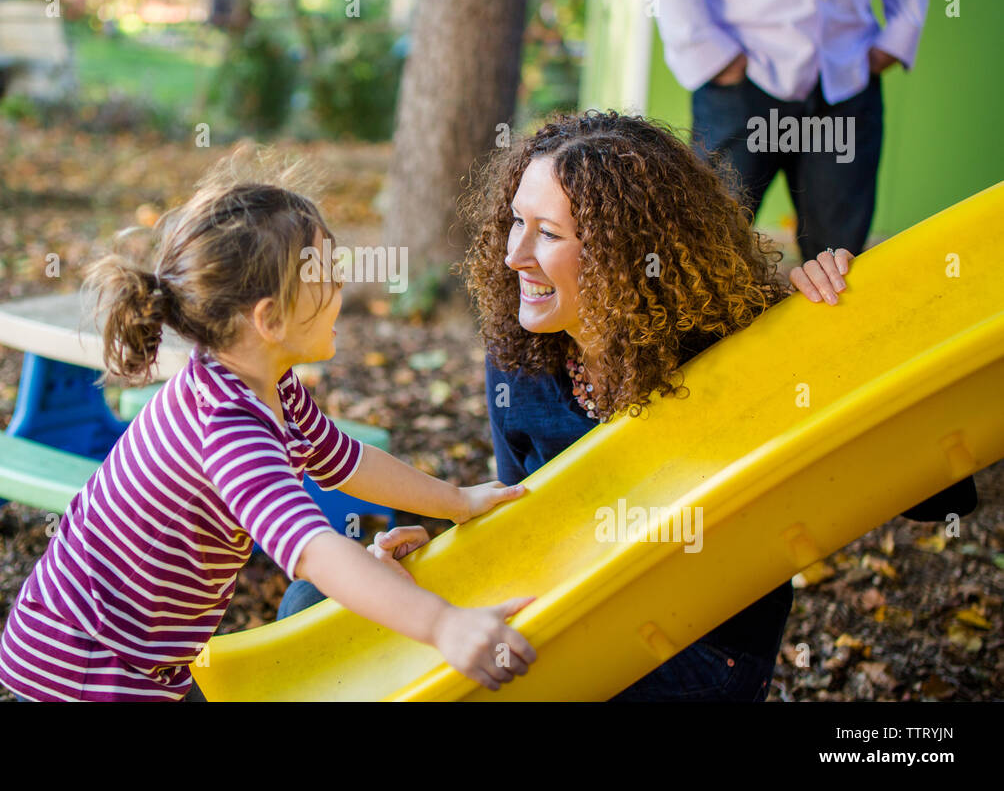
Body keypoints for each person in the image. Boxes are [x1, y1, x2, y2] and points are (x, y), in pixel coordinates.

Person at [278, 110, 973, 700]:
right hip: (568, 607)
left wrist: (847, 336)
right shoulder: (523, 357)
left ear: (628, 253)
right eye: (516, 223)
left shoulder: (740, 347)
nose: (515, 254)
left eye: (548, 234)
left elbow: (939, 493)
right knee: (326, 595)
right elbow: (526, 516)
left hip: (694, 649)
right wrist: (432, 555)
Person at [0, 170, 536, 701]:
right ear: (270, 319)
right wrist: (445, 626)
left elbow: (346, 462)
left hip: (139, 654)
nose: (341, 284)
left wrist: (456, 501)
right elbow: (313, 550)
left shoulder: (272, 387)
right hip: (85, 668)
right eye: (325, 275)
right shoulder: (227, 426)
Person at [644, 0, 934, 260]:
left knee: (839, 271)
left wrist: (899, 36)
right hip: (738, 83)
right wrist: (709, 54)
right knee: (704, 260)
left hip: (848, 81)